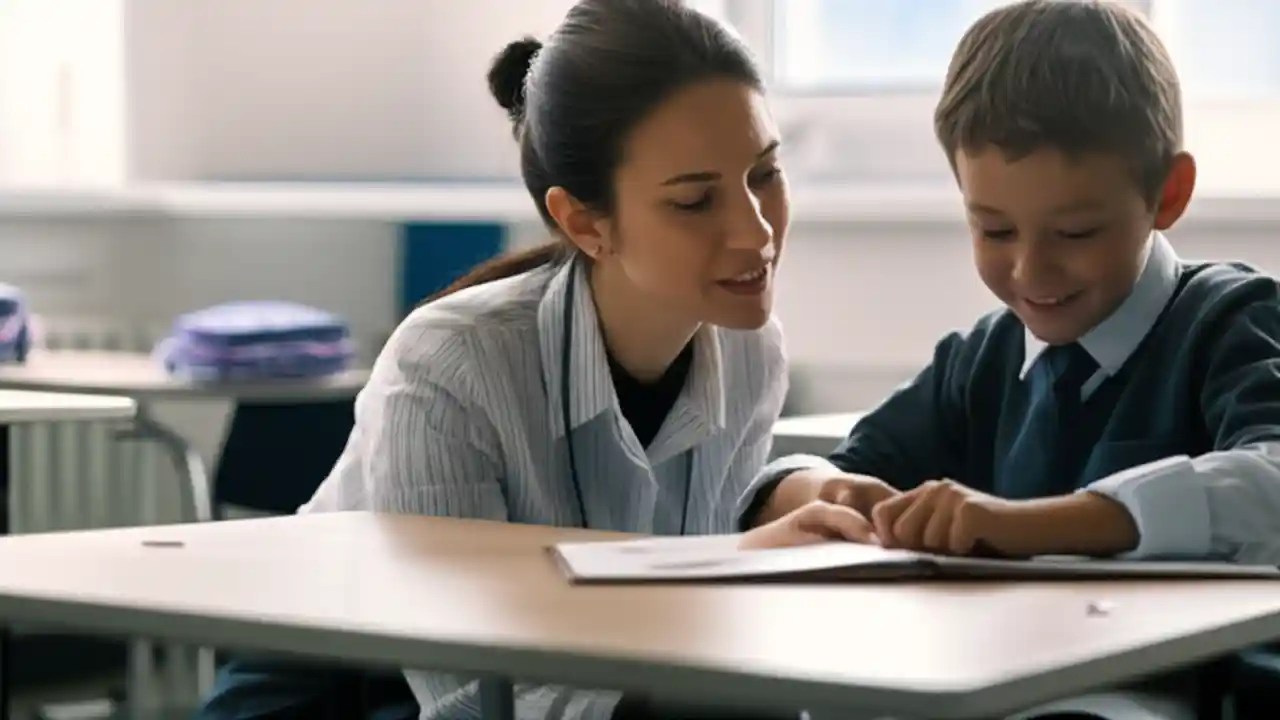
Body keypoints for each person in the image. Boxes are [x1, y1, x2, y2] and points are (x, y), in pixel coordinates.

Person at [197, 1, 866, 718]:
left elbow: (685, 598)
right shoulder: (451, 364)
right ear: (583, 221)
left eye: (764, 175)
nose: (756, 231)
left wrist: (798, 494)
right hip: (351, 690)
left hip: (584, 680)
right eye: (696, 201)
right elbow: (466, 697)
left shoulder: (748, 351)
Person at [739, 1, 1280, 718]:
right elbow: (835, 469)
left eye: (1075, 231)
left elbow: (1269, 477)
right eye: (994, 229)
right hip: (1000, 691)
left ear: (1167, 194)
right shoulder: (981, 362)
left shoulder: (1230, 321)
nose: (1032, 270)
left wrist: (1028, 524)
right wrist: (825, 495)